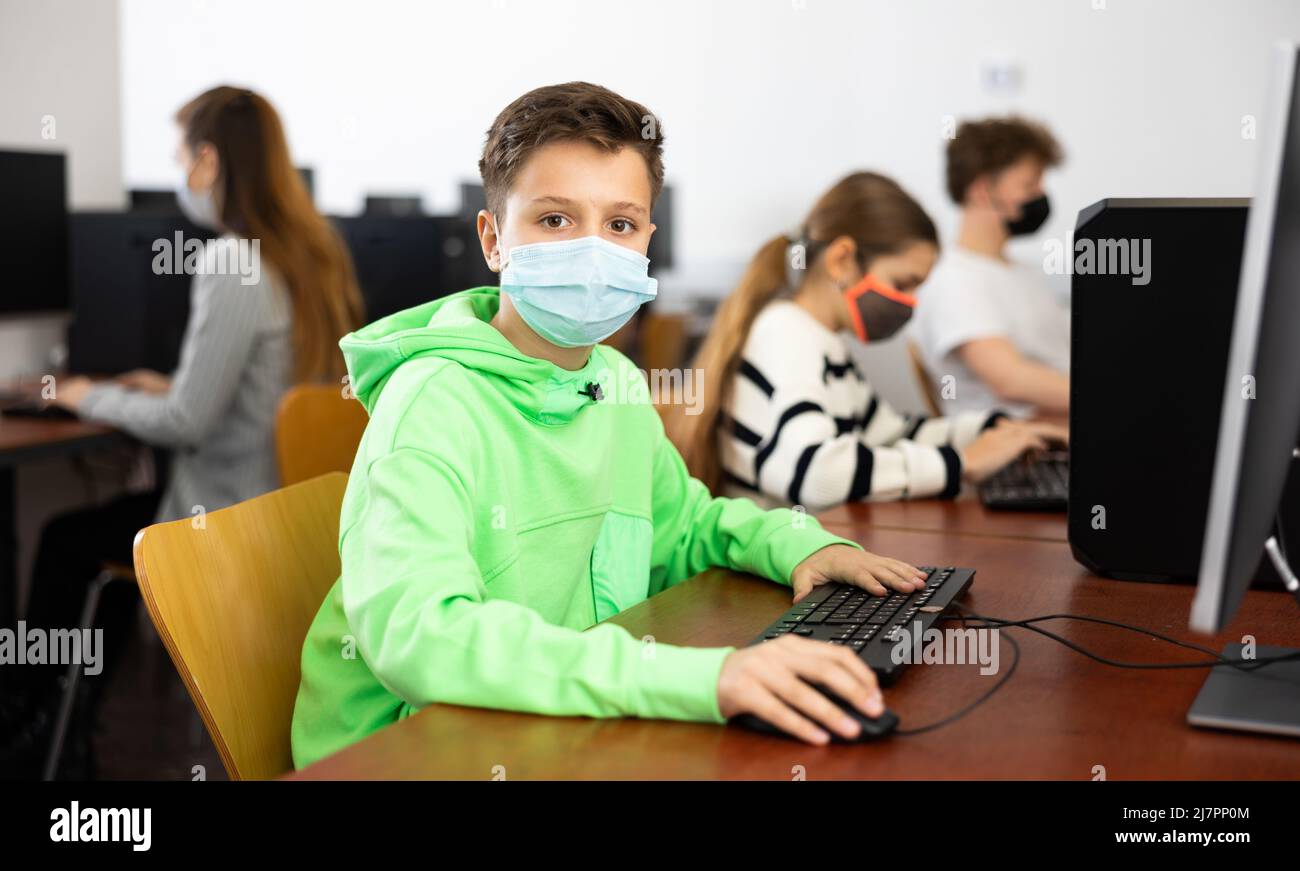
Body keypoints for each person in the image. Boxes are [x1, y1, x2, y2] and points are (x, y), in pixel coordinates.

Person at [291, 82, 934, 766]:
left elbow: (683, 526)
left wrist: (798, 544)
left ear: (646, 242)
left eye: (620, 225)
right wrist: (698, 679)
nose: (592, 250)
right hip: (407, 746)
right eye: (556, 220)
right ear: (492, 239)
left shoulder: (616, 384)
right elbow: (421, 636)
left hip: (548, 719)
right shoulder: (434, 402)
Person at [2, 86, 364, 779]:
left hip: (226, 519)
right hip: (292, 514)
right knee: (88, 538)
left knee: (65, 542)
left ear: (207, 160)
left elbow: (186, 422)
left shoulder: (232, 265)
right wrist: (163, 381)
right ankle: (61, 726)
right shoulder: (313, 255)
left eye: (180, 155)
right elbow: (269, 391)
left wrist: (87, 392)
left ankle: (44, 732)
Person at [679, 172, 1060, 511]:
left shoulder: (824, 341)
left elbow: (890, 434)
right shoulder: (786, 334)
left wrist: (995, 430)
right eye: (903, 284)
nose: (909, 303)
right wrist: (962, 463)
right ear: (842, 260)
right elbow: (817, 474)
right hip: (770, 568)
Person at [910, 116, 1070, 417]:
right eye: (1029, 185)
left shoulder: (1024, 274)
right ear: (982, 190)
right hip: (1024, 451)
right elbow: (1010, 380)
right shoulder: (953, 281)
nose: (1040, 196)